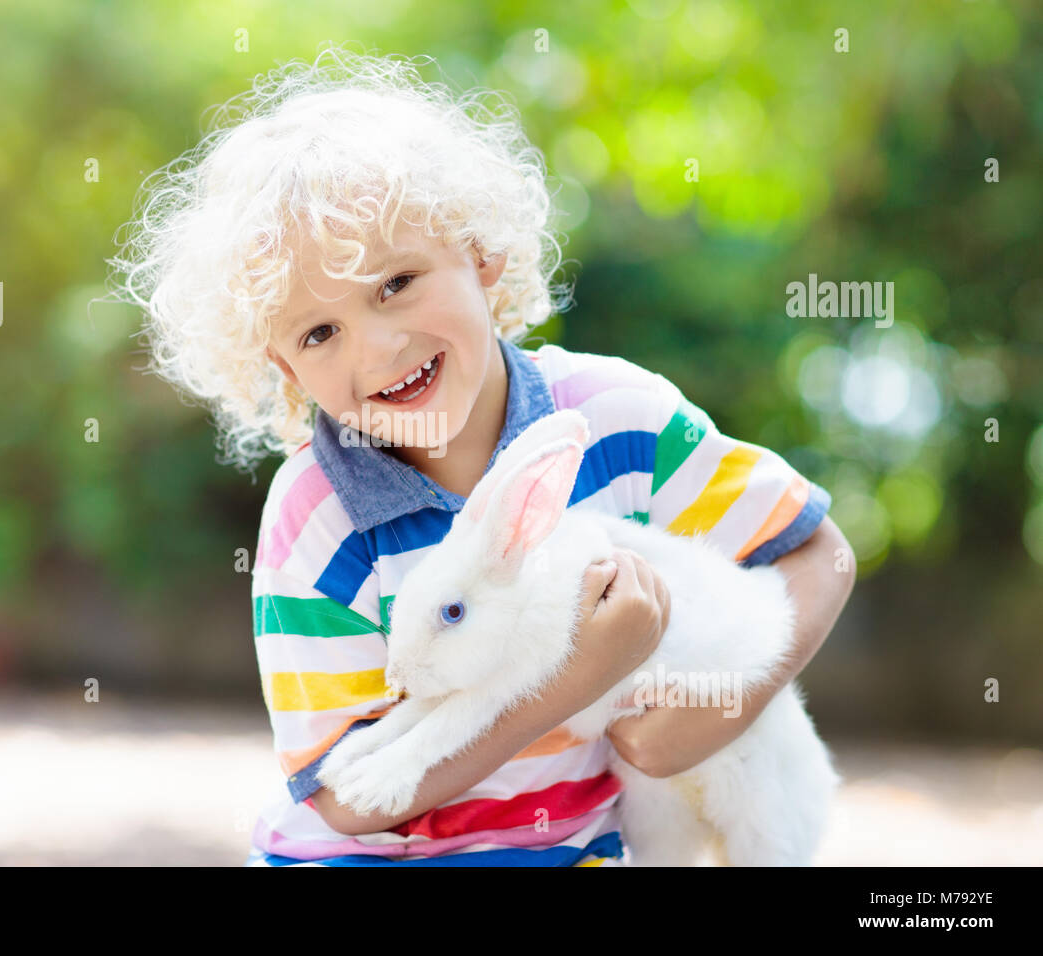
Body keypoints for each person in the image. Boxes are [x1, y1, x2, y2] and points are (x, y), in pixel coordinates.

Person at [110, 45, 856, 866]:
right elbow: (343, 796)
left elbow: (819, 552)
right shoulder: (313, 520)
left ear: (480, 253)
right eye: (320, 333)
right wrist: (569, 683)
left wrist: (718, 704)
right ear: (285, 370)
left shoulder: (618, 419)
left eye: (397, 283)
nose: (380, 347)